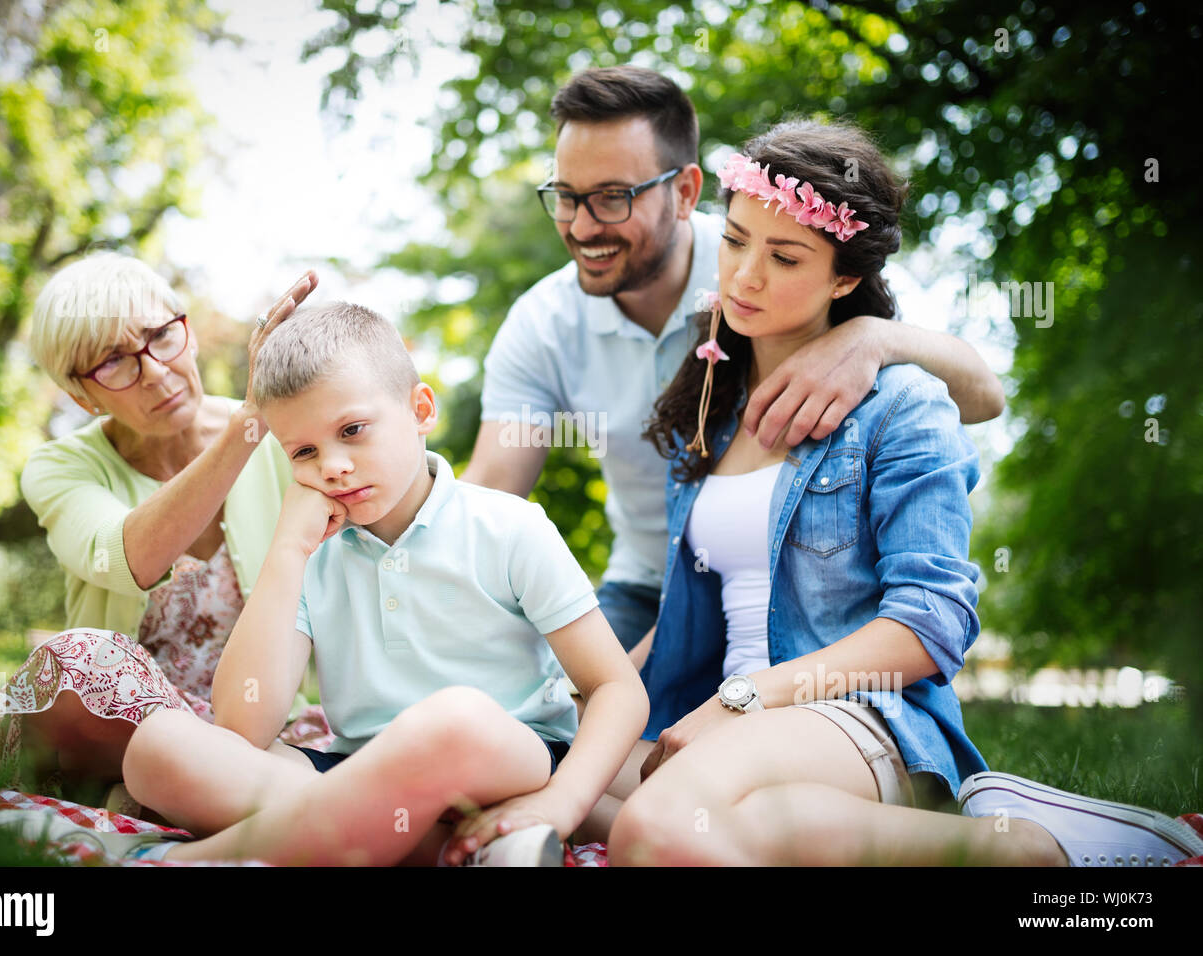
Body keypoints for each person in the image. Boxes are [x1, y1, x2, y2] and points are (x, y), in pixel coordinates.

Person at [599, 120, 1203, 867]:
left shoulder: (902, 404)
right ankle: (1010, 851)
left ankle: (1010, 843)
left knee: (655, 830)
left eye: (785, 255)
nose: (745, 275)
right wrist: (602, 693)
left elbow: (931, 621)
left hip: (854, 718)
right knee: (547, 775)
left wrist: (743, 699)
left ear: (845, 278)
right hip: (723, 721)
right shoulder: (709, 409)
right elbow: (697, 605)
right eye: (734, 240)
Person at [464, 66, 1006, 654]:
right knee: (541, 717)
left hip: (804, 588)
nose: (583, 224)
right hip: (657, 583)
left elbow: (979, 396)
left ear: (685, 192)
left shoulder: (771, 252)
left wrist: (872, 339)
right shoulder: (544, 322)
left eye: (613, 198)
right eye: (566, 198)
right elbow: (492, 491)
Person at [104, 303, 648, 866]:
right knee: (158, 746)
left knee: (452, 718)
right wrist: (288, 552)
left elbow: (616, 688)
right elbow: (244, 723)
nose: (333, 465)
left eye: (352, 431)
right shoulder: (311, 553)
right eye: (305, 452)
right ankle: (457, 848)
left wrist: (563, 802)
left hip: (503, 759)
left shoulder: (508, 526)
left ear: (420, 410)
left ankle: (200, 860)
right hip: (356, 771)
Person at [0, 253, 331, 799]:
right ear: (79, 395)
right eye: (113, 361)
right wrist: (249, 423)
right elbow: (126, 557)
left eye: (162, 335)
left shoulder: (281, 433)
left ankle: (204, 790)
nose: (156, 372)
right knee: (76, 661)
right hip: (125, 731)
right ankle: (216, 784)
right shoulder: (60, 465)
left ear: (189, 331)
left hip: (257, 726)